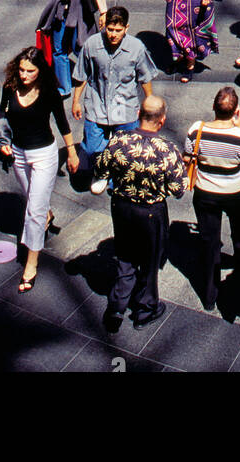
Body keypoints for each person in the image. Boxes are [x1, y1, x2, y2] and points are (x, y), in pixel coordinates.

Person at [95, 95, 186, 332]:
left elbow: (101, 168)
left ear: (139, 114)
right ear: (162, 120)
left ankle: (116, 306)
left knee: (124, 256)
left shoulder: (118, 140)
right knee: (149, 260)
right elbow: (178, 190)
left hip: (122, 207)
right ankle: (145, 309)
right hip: (150, 213)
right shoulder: (167, 150)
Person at [0, 46, 79, 293]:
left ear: (39, 71)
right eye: (21, 69)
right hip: (19, 153)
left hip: (44, 154)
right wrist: (4, 143)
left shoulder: (48, 91)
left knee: (33, 212)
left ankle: (31, 263)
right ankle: (48, 214)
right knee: (33, 198)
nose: (24, 75)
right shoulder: (10, 87)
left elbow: (62, 122)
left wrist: (72, 152)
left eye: (30, 71)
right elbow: (2, 114)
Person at [184, 86, 240, 310]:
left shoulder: (196, 130)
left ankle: (209, 296)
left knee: (210, 242)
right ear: (236, 110)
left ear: (213, 107)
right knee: (239, 228)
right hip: (235, 192)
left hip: (205, 192)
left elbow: (187, 156)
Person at [73, 5, 157, 188]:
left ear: (126, 28)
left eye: (118, 31)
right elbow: (82, 75)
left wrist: (149, 102)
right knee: (94, 148)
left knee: (126, 149)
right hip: (97, 104)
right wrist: (76, 101)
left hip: (125, 106)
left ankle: (115, 179)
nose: (113, 34)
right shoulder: (91, 45)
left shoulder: (137, 48)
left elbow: (145, 77)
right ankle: (101, 170)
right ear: (104, 27)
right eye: (110, 29)